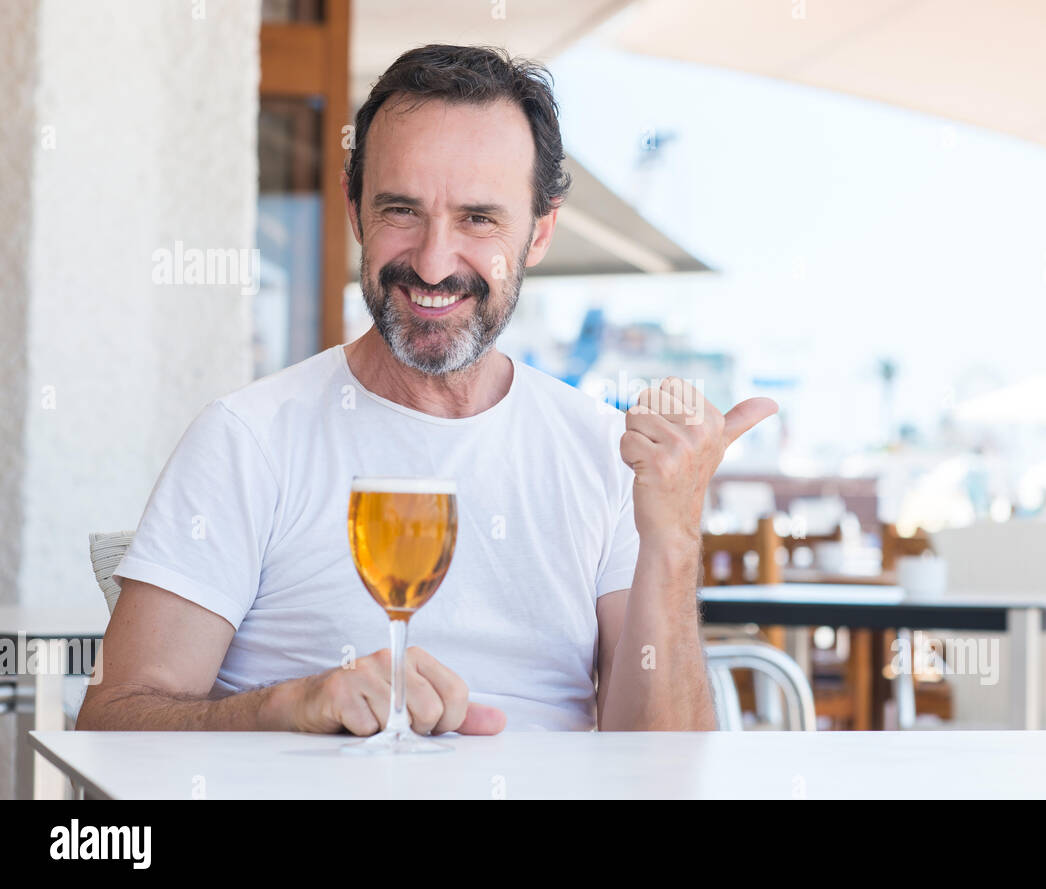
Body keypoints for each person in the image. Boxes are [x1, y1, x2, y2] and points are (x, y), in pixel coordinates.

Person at [77, 44, 776, 735]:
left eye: (478, 218)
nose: (435, 263)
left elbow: (664, 775)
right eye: (401, 211)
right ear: (355, 211)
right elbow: (111, 723)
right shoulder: (249, 439)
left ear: (539, 232)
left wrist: (676, 535)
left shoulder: (605, 452)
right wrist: (287, 706)